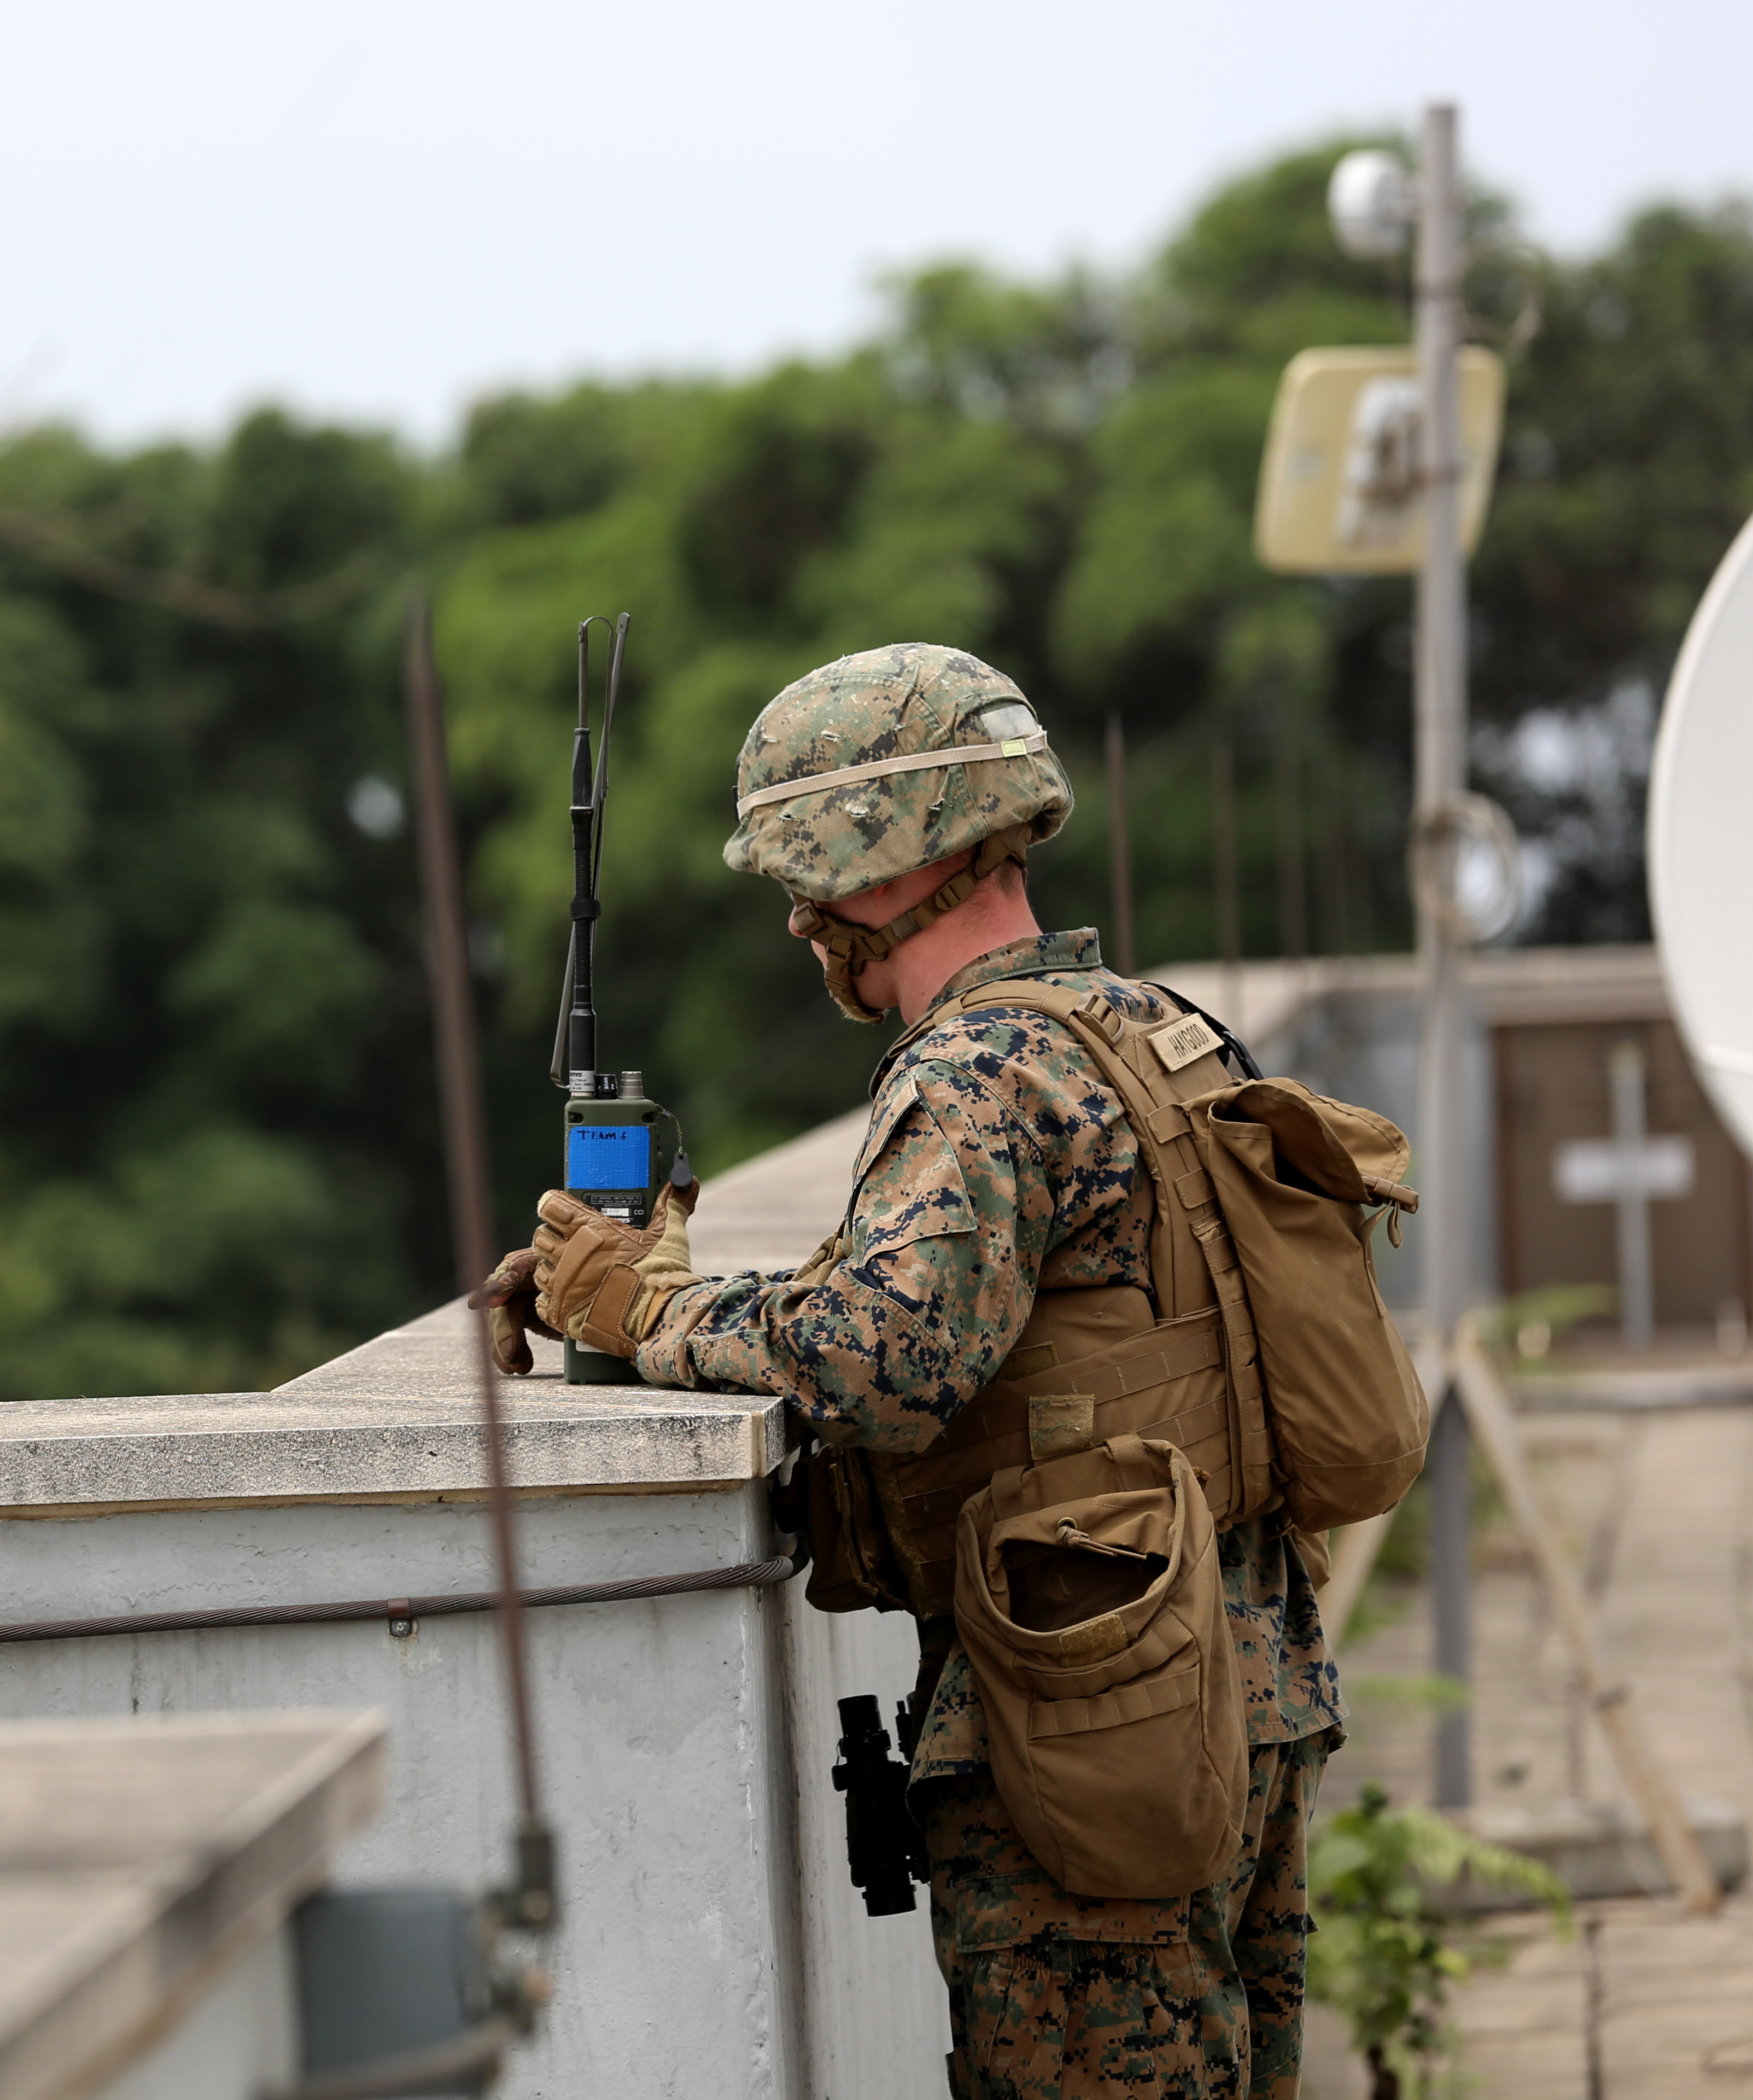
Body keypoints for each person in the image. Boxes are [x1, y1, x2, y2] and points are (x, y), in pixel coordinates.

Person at [489, 643, 1340, 2100]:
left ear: (881, 860)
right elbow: (1018, 1313)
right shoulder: (1151, 1031)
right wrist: (689, 1292)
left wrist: (644, 1314)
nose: (798, 919)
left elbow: (882, 1358)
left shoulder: (975, 1077)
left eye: (802, 877)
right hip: (1245, 1674)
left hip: (1098, 1724)